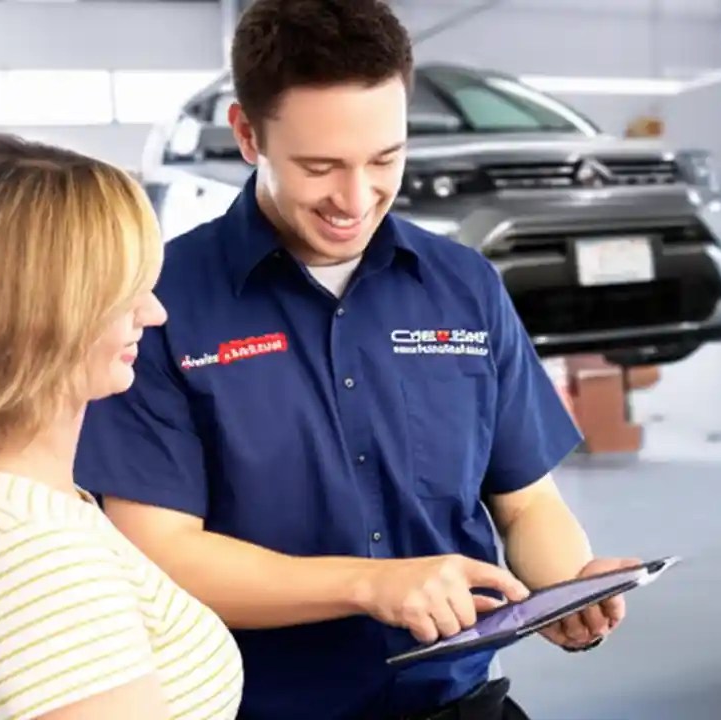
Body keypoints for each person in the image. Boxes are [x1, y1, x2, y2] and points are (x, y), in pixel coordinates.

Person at [75, 1, 639, 718]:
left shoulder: (464, 287)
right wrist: (368, 584)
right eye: (320, 166)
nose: (356, 197)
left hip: (460, 704)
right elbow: (161, 554)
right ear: (248, 135)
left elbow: (528, 504)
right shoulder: (159, 304)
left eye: (385, 159)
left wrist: (565, 594)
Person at [0, 134, 244, 720]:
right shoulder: (28, 553)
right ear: (40, 313)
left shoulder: (12, 502)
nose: (154, 314)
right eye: (125, 294)